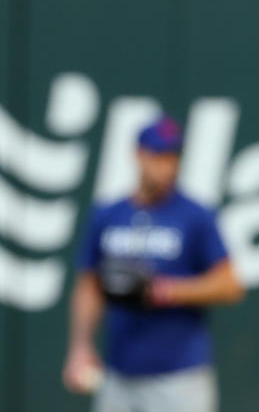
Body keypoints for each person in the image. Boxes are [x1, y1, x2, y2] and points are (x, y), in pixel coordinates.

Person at [62, 115, 244, 412]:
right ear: (137, 155)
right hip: (118, 373)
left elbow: (230, 285)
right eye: (158, 155)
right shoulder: (109, 215)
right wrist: (80, 347)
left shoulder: (194, 215)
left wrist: (167, 290)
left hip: (179, 376)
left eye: (173, 157)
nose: (166, 166)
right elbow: (88, 285)